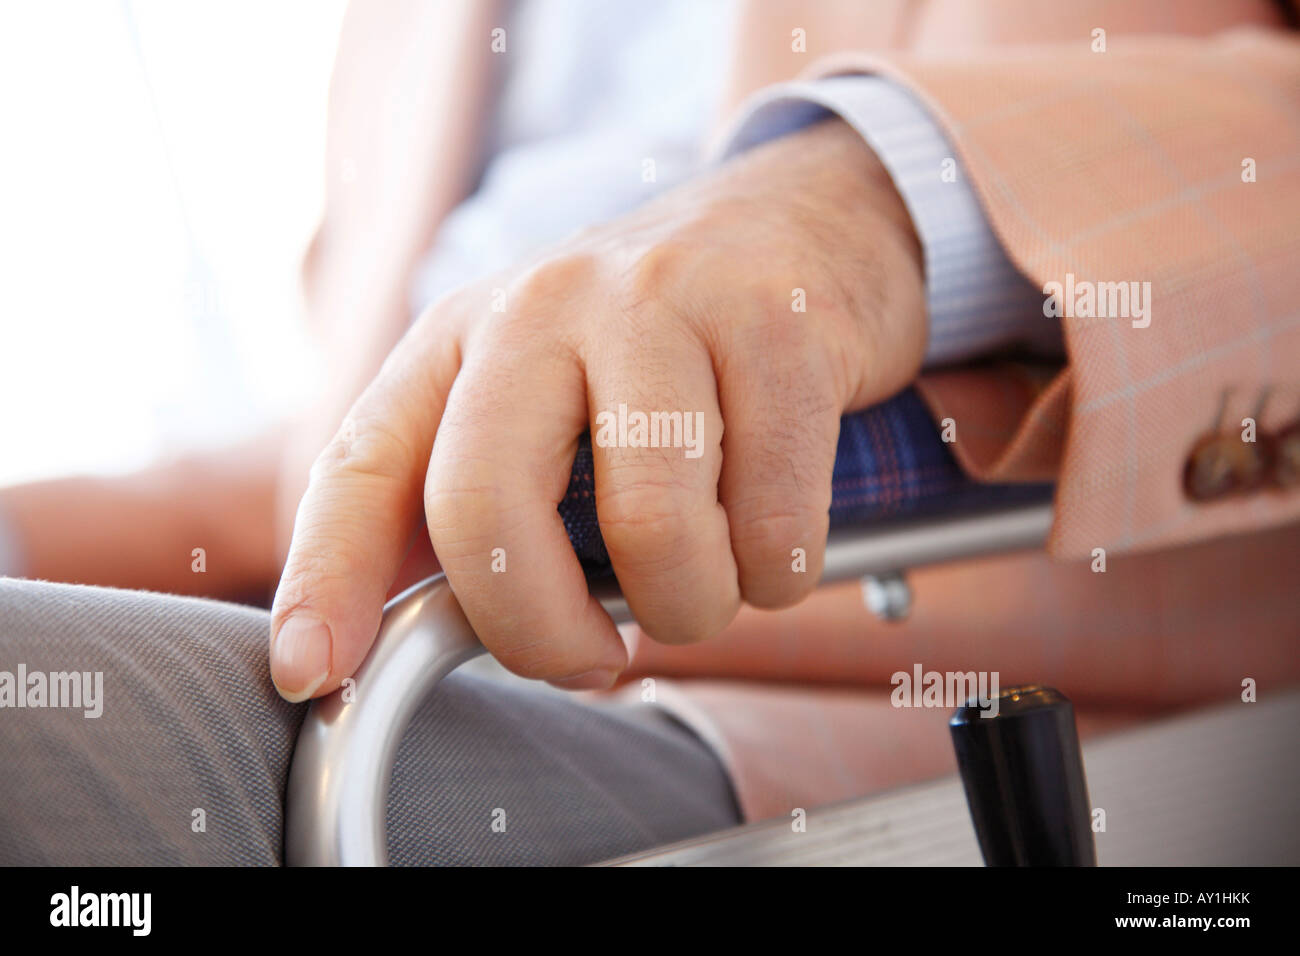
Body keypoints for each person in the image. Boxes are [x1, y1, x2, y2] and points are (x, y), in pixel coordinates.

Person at [2, 0, 1297, 864]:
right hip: (411, 659)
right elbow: (410, 440)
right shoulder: (405, 37)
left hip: (857, 720)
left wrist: (864, 211)